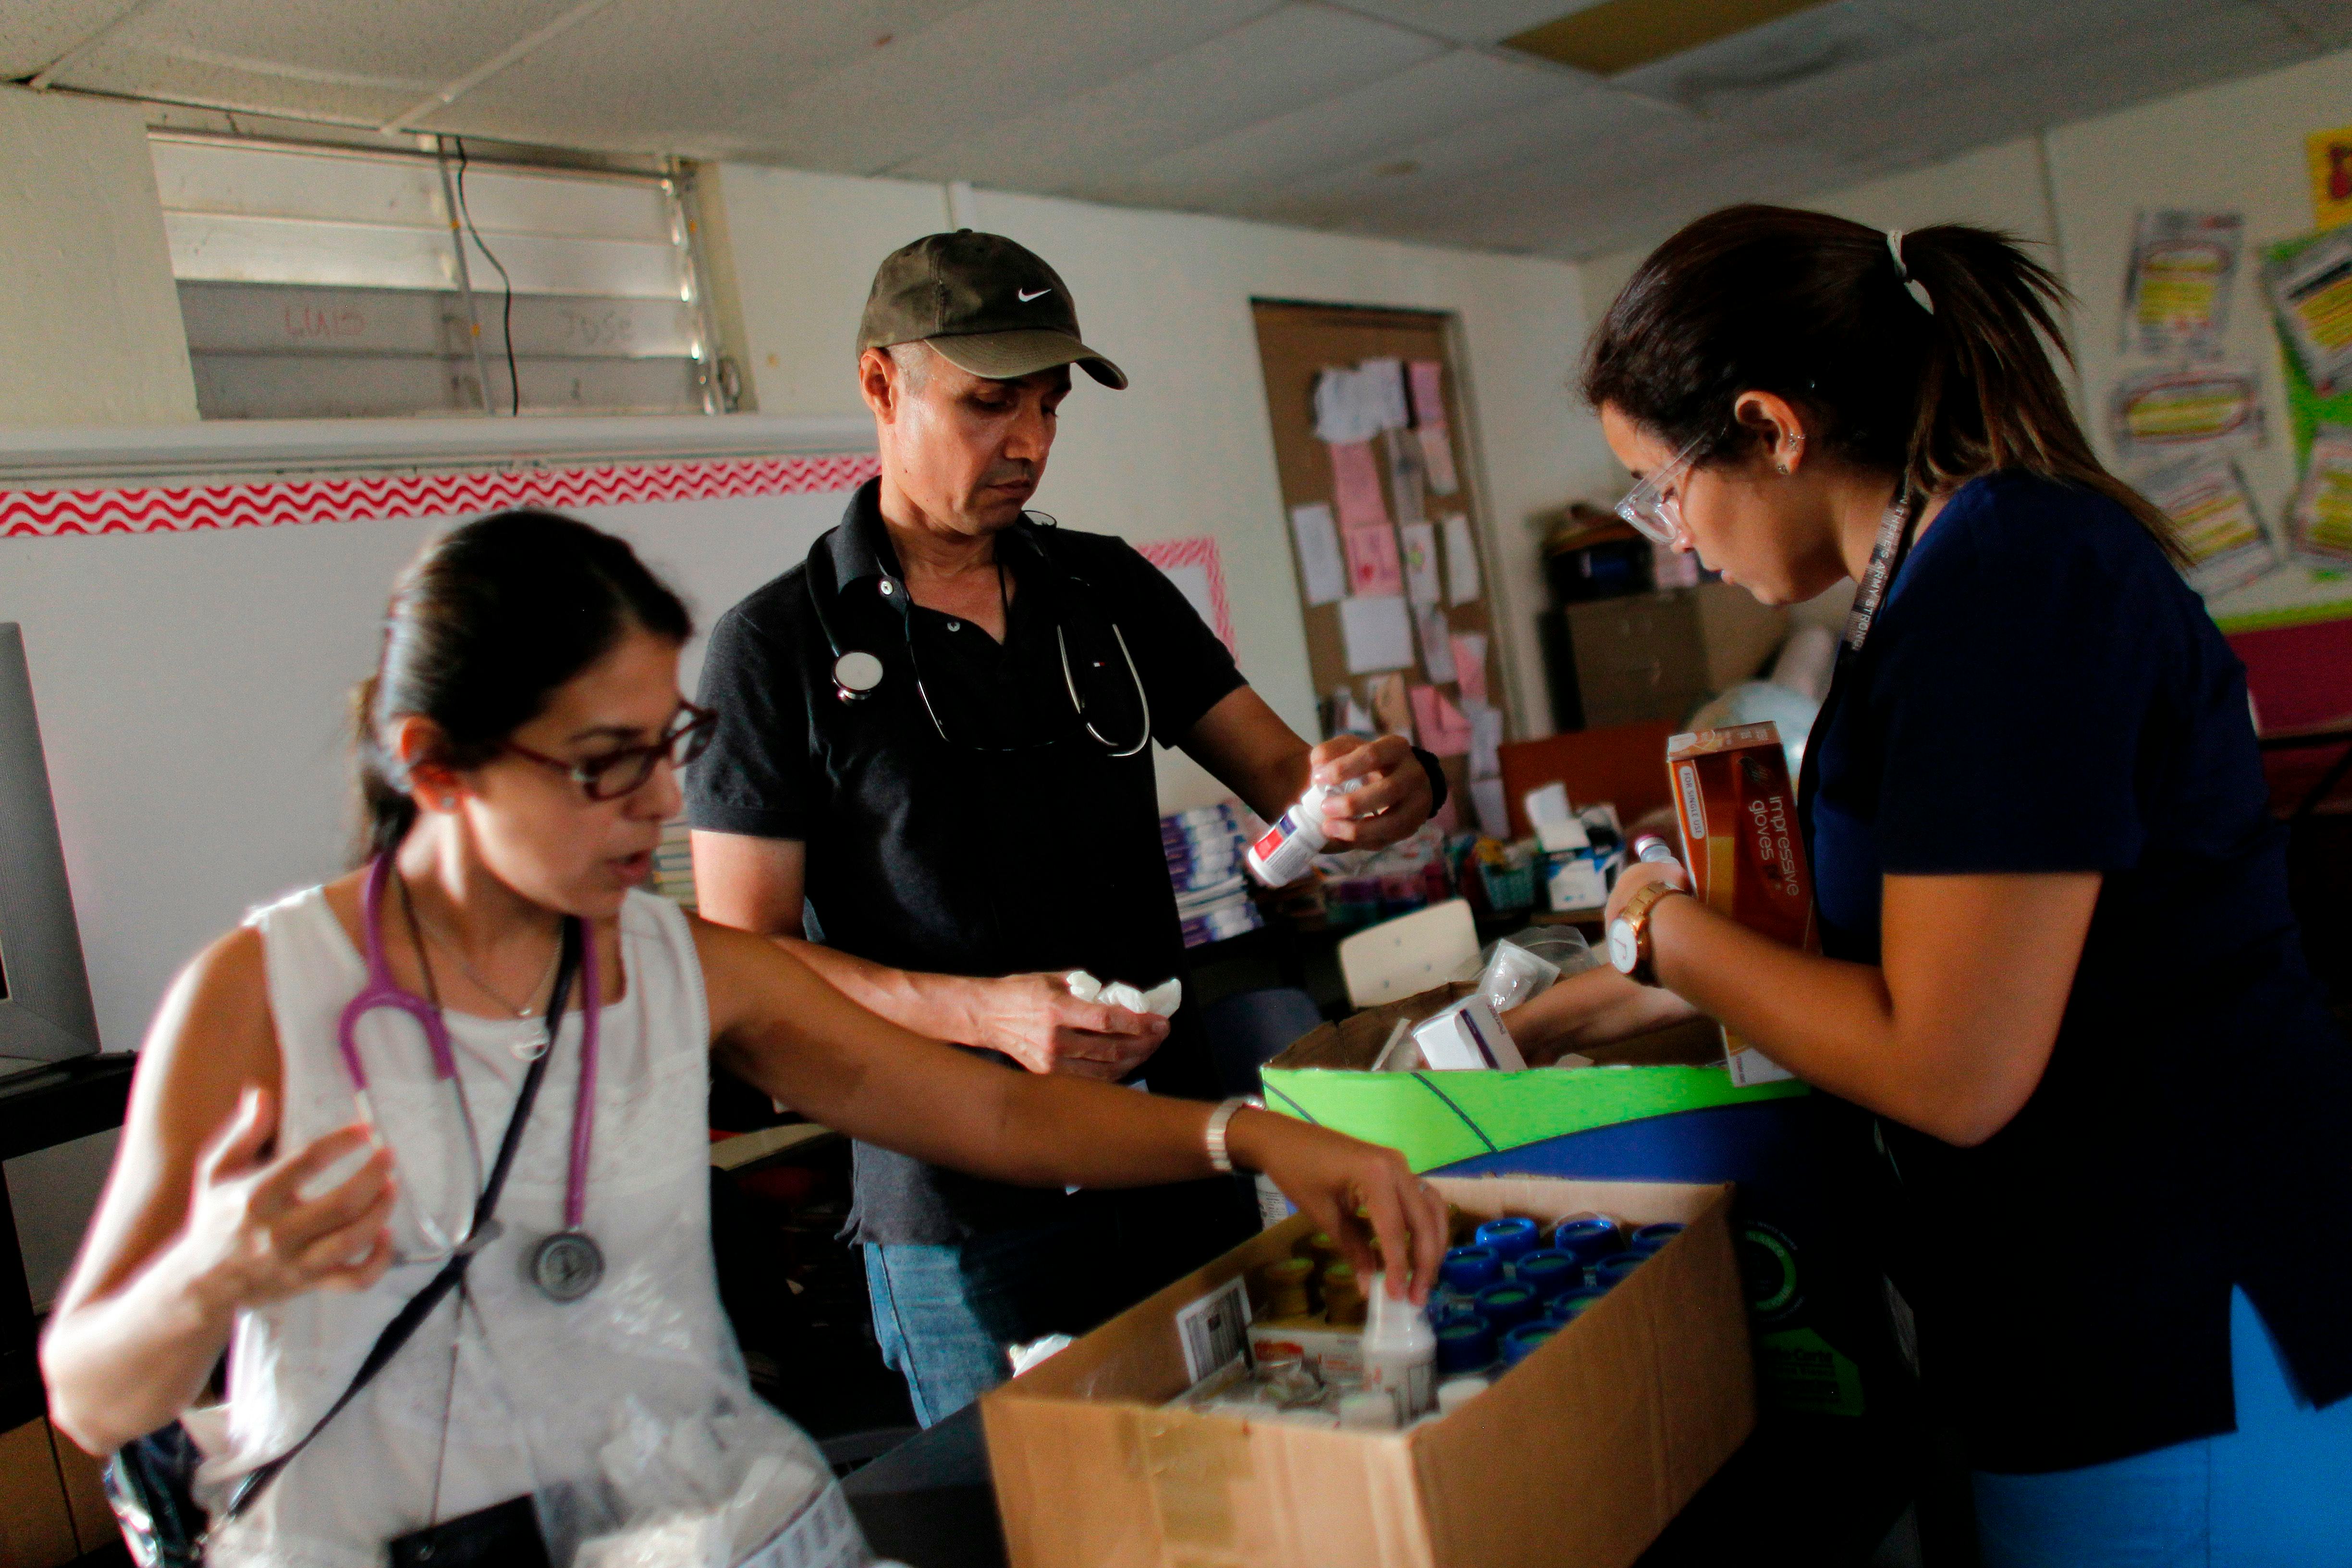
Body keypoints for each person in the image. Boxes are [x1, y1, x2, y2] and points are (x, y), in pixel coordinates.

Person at [38, 510, 1448, 1566]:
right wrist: (213, 1278)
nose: (660, 806)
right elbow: (92, 1392)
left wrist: (1248, 1133)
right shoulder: (264, 997)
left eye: (673, 742)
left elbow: (992, 1117)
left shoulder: (676, 965)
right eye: (606, 766)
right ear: (434, 767)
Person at [1508, 206, 2352, 1566]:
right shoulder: (1938, 582)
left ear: (1773, 427)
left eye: (1662, 486)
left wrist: (1665, 935)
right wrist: (1603, 1004)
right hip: (2071, 1302)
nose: (1673, 540)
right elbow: (1903, 960)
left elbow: (1955, 1066)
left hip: (2177, 1308)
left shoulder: (2010, 585)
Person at [686, 230, 1447, 1426]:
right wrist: (982, 1013)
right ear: (883, 384)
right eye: (991, 405)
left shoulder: (1107, 591)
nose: (1031, 444)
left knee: (1242, 1478)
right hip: (963, 1215)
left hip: (1173, 1155)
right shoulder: (776, 649)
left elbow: (1290, 775)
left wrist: (1374, 784)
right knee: (1046, 1523)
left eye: (1048, 407)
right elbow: (746, 965)